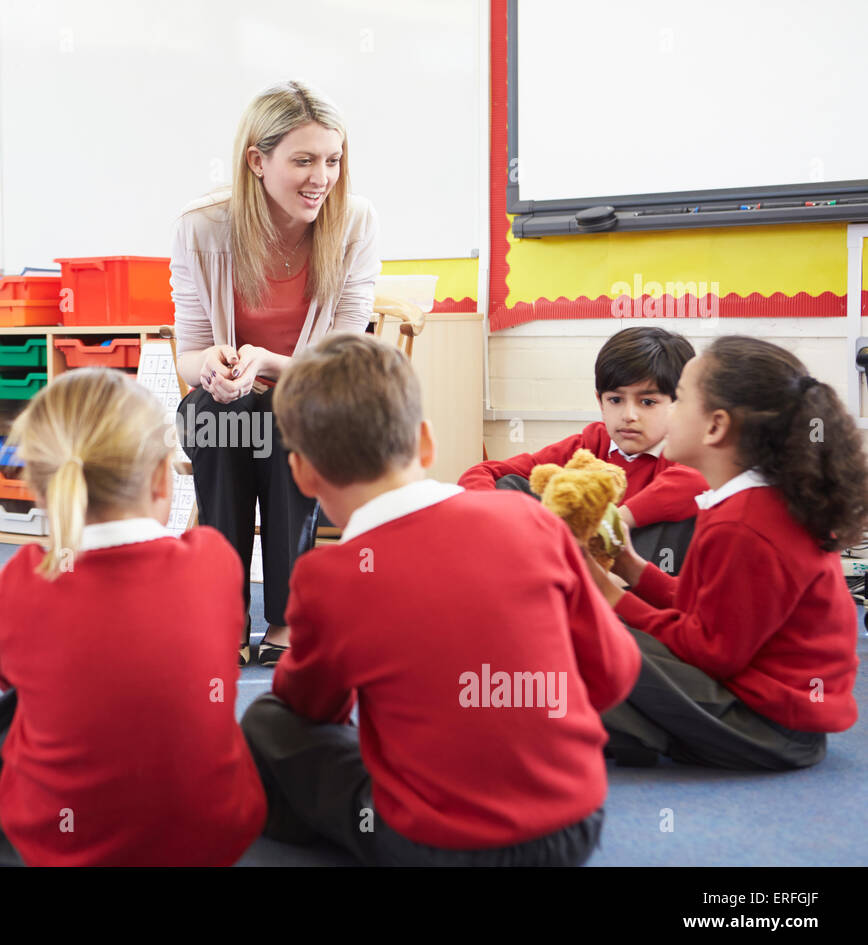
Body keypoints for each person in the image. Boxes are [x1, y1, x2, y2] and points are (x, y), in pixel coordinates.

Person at [240, 334, 640, 865]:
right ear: (426, 443)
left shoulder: (329, 577)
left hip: (434, 846)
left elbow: (311, 709)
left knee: (267, 723)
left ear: (302, 474)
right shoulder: (532, 519)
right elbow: (613, 673)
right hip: (577, 824)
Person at [0, 369, 266, 866]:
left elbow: (6, 678)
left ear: (41, 491)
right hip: (219, 835)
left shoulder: (23, 580)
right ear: (163, 479)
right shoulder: (214, 558)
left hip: (61, 842)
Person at [170, 80, 380, 666]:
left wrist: (268, 363)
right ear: (257, 161)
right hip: (230, 399)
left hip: (318, 397)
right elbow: (188, 351)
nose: (322, 177)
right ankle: (222, 610)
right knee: (215, 415)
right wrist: (209, 363)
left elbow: (340, 364)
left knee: (283, 422)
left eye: (333, 159)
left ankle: (289, 617)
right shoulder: (201, 226)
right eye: (304, 160)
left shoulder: (355, 223)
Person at [585, 336, 866, 770]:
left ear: (716, 427)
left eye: (677, 399)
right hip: (778, 719)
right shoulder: (745, 504)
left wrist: (608, 594)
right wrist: (631, 568)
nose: (669, 413)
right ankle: (636, 729)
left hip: (766, 728)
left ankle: (638, 730)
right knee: (603, 628)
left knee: (590, 631)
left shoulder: (746, 523)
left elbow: (709, 650)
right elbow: (708, 613)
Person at [460, 326, 708, 572]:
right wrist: (488, 514)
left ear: (678, 404)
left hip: (643, 578)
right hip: (578, 563)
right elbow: (485, 472)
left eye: (647, 402)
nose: (629, 415)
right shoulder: (588, 445)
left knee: (681, 511)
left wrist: (615, 521)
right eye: (615, 400)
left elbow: (699, 479)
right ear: (600, 402)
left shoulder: (682, 449)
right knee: (511, 485)